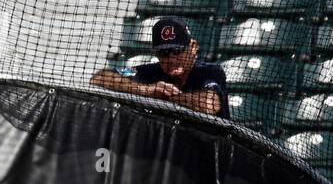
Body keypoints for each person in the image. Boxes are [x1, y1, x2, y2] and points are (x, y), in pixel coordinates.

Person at [90, 16, 230, 118]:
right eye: (163, 53)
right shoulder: (150, 72)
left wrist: (165, 98)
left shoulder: (209, 71)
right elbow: (100, 77)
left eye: (177, 51)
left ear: (193, 47)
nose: (171, 59)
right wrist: (146, 90)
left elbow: (210, 105)